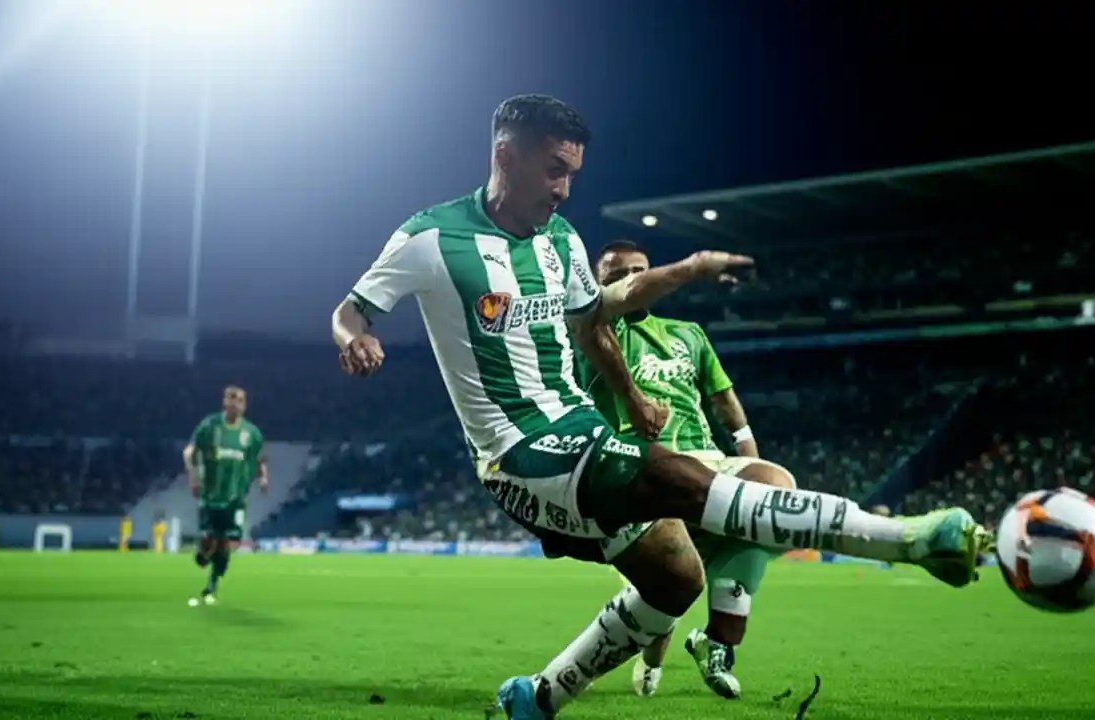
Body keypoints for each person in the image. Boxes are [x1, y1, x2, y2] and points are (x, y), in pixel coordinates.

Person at [331, 94, 988, 720]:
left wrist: (637, 382)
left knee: (677, 580)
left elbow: (595, 322)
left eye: (572, 175)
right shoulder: (431, 237)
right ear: (507, 154)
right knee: (677, 481)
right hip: (516, 454)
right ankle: (909, 540)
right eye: (553, 169)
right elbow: (350, 310)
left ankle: (538, 697)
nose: (563, 190)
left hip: (584, 434)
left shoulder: (560, 242)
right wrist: (355, 337)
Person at [584, 239, 797, 699]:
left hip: (706, 461)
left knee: (774, 493)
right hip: (642, 474)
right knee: (661, 609)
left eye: (638, 270)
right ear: (597, 285)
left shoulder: (689, 334)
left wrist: (750, 454)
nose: (630, 281)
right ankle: (651, 654)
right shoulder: (588, 335)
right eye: (615, 276)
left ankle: (716, 641)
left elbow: (724, 401)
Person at [182, 385, 267, 605]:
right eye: (232, 399)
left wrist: (263, 478)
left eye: (240, 400)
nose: (236, 404)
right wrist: (193, 477)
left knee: (229, 541)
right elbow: (189, 452)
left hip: (236, 497)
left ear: (245, 405)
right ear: (224, 402)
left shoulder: (252, 433)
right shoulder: (210, 426)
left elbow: (260, 458)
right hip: (211, 495)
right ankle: (204, 554)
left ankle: (212, 585)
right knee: (209, 541)